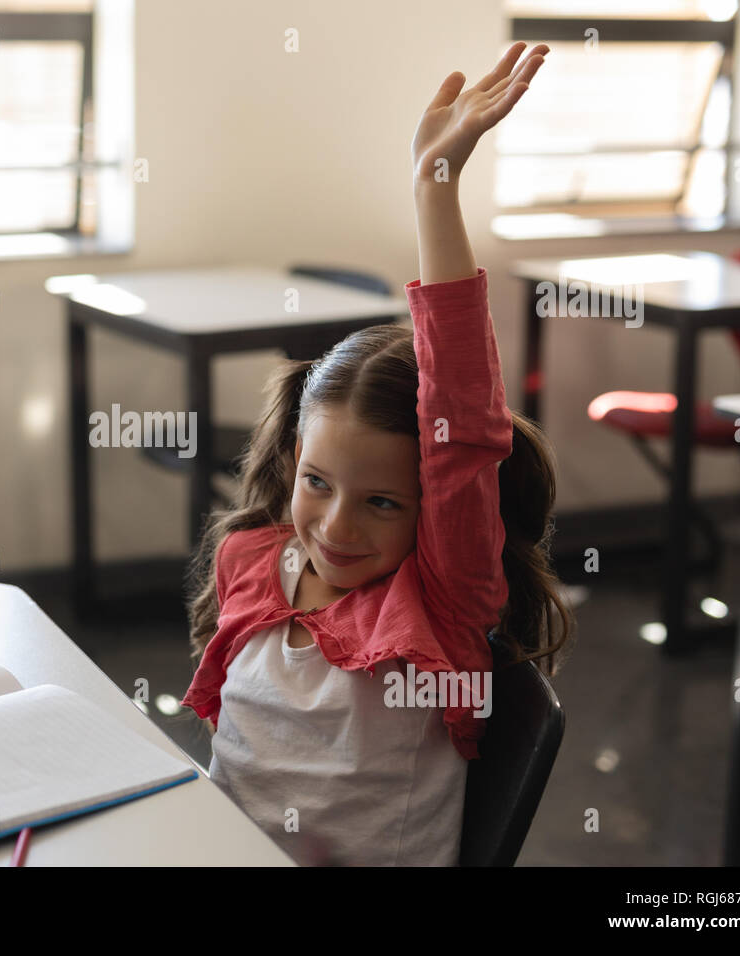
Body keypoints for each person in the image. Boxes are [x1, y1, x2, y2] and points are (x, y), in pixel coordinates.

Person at [181, 42, 574, 866]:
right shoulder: (250, 560)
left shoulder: (439, 602)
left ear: (436, 510)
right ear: (292, 457)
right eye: (317, 482)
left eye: (384, 502)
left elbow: (465, 422)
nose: (336, 524)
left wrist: (435, 184)